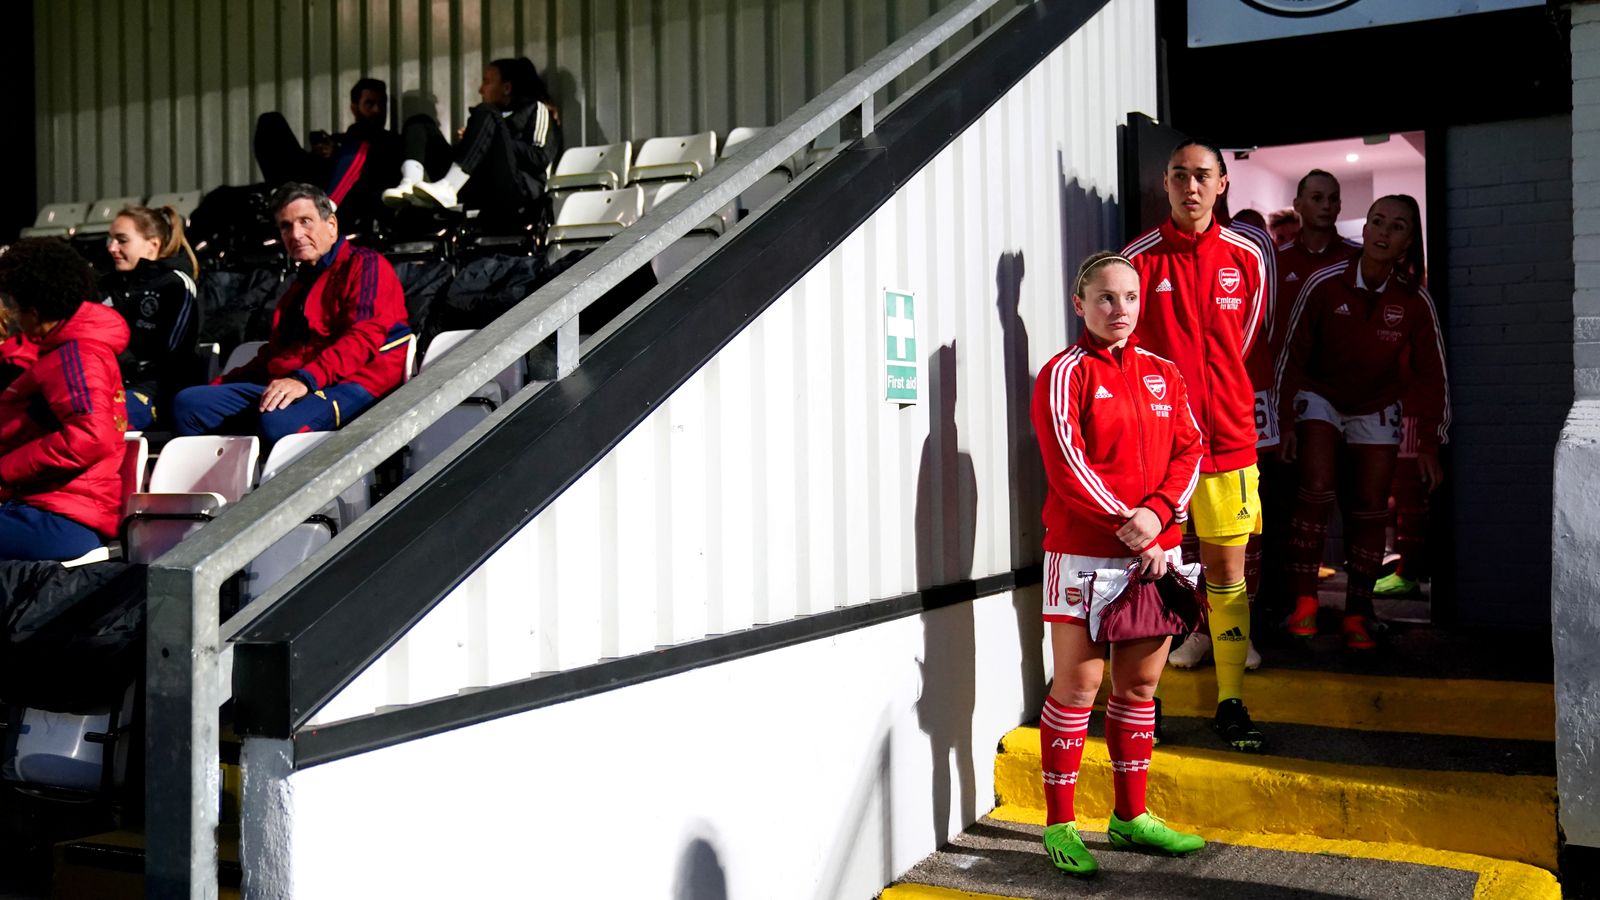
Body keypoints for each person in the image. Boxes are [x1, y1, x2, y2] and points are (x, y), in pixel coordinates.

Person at [1031, 251, 1206, 875]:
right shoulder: (1063, 372)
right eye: (1106, 299)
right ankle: (1059, 825)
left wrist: (1159, 516)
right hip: (1082, 552)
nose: (1120, 310)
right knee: (1077, 689)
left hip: (1155, 553)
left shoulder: (1166, 372)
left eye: (1130, 298)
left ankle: (1130, 818)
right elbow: (1066, 464)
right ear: (1080, 304)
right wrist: (1134, 526)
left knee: (1139, 689)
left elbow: (1192, 448)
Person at [1122, 138, 1268, 752]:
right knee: (1153, 572)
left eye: (1202, 175)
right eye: (1180, 175)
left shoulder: (1250, 254)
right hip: (1160, 449)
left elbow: (1251, 337)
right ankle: (1143, 703)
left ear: (1223, 183)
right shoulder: (1138, 257)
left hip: (1231, 438)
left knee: (1227, 574)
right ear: (1165, 182)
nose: (1191, 186)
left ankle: (1231, 700)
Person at [1275, 195, 1449, 650]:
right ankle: (1305, 604)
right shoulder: (1324, 283)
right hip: (1320, 395)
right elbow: (1292, 354)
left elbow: (1433, 375)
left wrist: (1429, 442)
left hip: (1376, 404)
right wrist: (1284, 422)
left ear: (1408, 241)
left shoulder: (1415, 301)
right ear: (1366, 227)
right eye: (1376, 221)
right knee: (1315, 488)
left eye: (1396, 227)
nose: (1382, 232)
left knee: (1371, 505)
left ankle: (1357, 611)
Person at [171, 183, 413, 445]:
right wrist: (219, 386)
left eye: (305, 221)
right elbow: (274, 356)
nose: (296, 234)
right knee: (189, 405)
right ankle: (228, 484)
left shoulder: (366, 265)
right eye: (286, 226)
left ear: (331, 225)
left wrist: (305, 380)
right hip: (296, 384)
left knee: (277, 421)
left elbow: (363, 337)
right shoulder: (296, 290)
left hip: (355, 382)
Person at [0, 240, 130, 561]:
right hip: (43, 508)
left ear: (34, 310)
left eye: (15, 305)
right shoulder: (62, 351)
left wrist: (3, 469)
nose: (13, 315)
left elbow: (92, 435)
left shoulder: (78, 353)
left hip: (61, 518)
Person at [383, 57, 564, 222]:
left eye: (486, 82)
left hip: (515, 189)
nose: (480, 89)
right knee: (420, 122)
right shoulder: (489, 115)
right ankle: (410, 185)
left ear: (507, 88)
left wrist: (496, 141)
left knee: (486, 111)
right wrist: (469, 141)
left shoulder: (536, 109)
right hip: (479, 186)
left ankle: (449, 187)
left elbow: (540, 157)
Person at [101, 205, 201, 431]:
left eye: (122, 240)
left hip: (155, 393)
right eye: (111, 240)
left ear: (153, 244)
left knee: (96, 421)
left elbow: (175, 358)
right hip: (104, 386)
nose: (112, 248)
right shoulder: (106, 286)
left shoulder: (176, 285)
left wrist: (127, 365)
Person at [254, 78, 403, 226]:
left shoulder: (392, 141)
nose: (377, 110)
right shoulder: (340, 139)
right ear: (355, 108)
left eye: (382, 103)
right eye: (370, 104)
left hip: (354, 196)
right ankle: (280, 195)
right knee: (270, 121)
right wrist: (321, 154)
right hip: (317, 185)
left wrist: (338, 153)